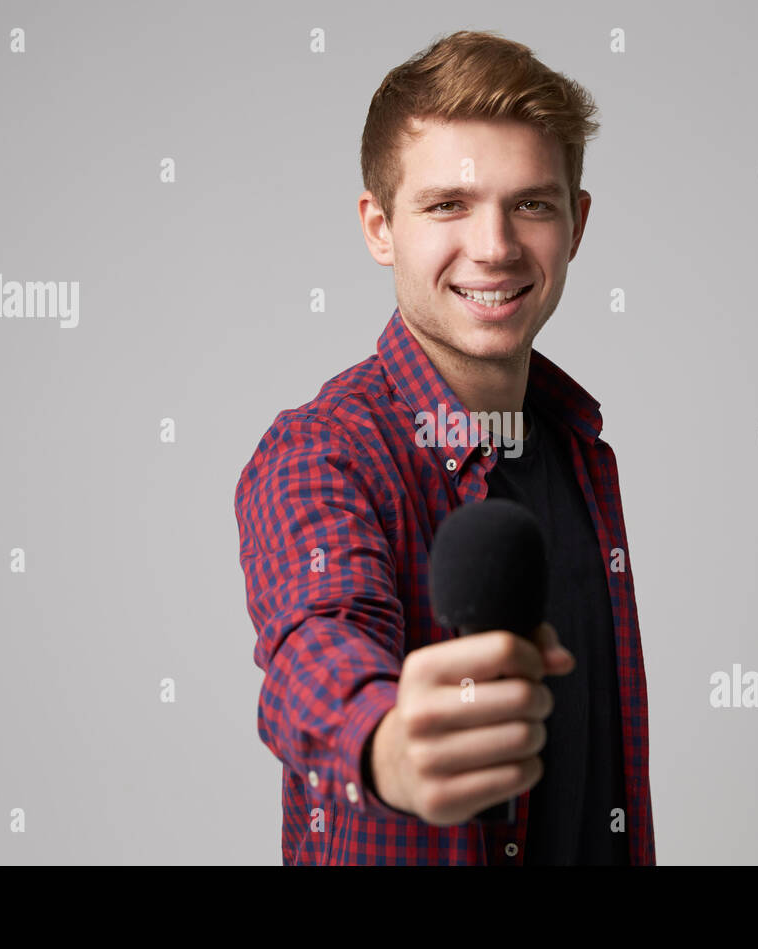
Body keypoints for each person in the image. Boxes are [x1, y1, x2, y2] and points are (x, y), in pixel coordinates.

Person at [234, 29, 654, 865]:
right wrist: (390, 745)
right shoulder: (322, 453)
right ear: (379, 226)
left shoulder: (578, 450)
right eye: (447, 205)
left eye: (532, 203)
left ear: (577, 224)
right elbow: (316, 649)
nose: (495, 247)